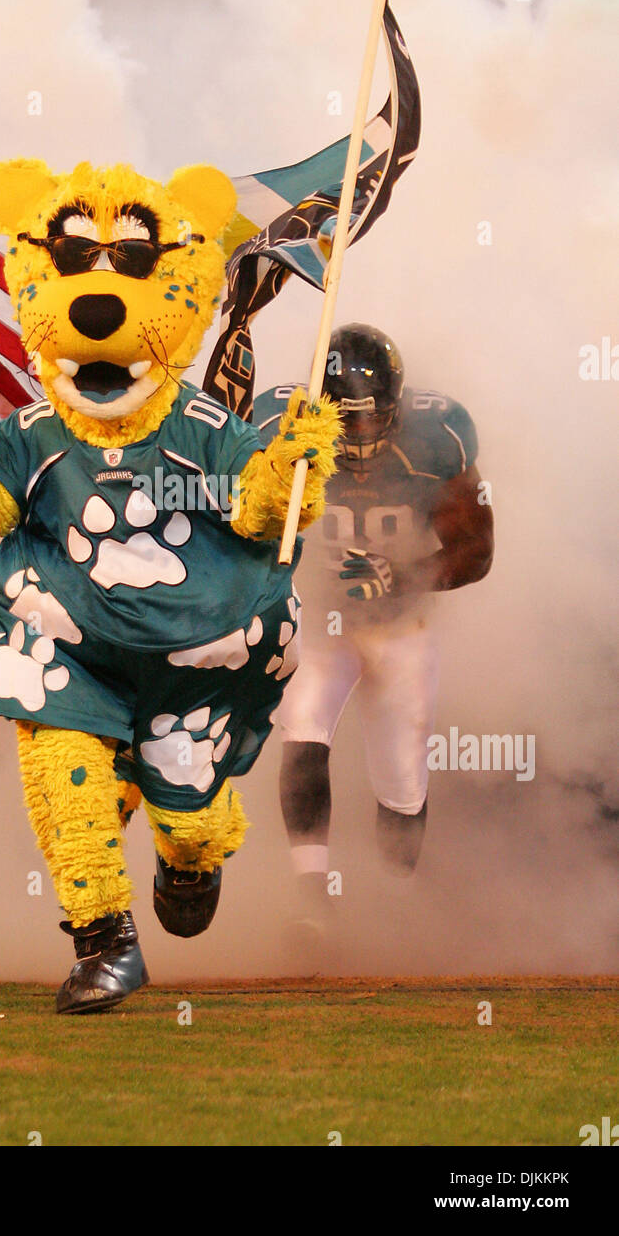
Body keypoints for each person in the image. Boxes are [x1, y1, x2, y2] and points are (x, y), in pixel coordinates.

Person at [254, 323, 494, 896]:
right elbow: (239, 525)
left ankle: (393, 899)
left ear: (398, 405)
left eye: (372, 418)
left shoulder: (436, 438)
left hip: (398, 626)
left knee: (401, 782)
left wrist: (401, 576)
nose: (360, 437)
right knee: (303, 729)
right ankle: (311, 899)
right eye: (347, 419)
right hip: (319, 622)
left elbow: (478, 551)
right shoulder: (280, 430)